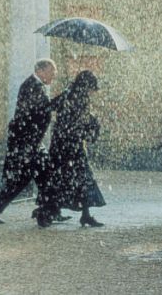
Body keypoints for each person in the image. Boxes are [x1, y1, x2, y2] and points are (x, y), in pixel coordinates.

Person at [0, 58, 69, 226]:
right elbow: (41, 110)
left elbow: (42, 110)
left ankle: (49, 211)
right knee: (24, 180)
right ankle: (47, 212)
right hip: (26, 143)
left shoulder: (36, 85)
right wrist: (62, 97)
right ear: (40, 71)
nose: (53, 76)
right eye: (51, 72)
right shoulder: (31, 86)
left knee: (42, 176)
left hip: (31, 143)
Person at [48, 70, 105, 227]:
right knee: (82, 179)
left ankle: (51, 209)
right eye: (91, 88)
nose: (92, 92)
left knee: (64, 178)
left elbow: (52, 106)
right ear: (87, 86)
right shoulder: (78, 97)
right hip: (71, 145)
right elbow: (79, 121)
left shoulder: (70, 94)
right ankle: (53, 211)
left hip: (61, 145)